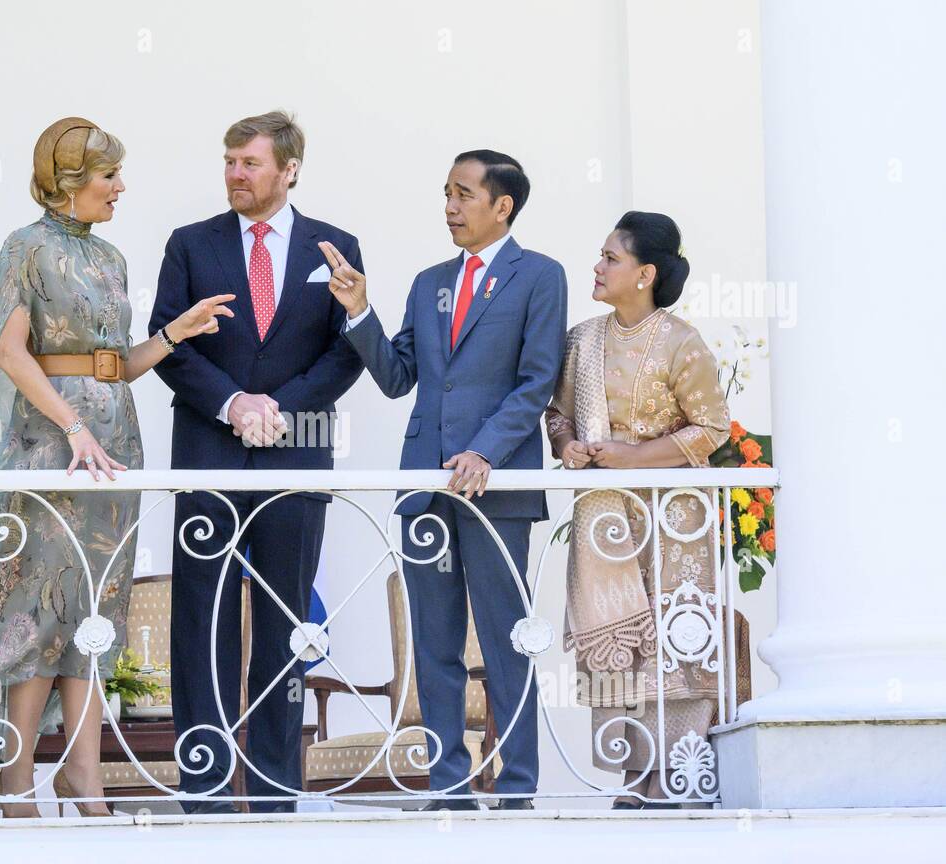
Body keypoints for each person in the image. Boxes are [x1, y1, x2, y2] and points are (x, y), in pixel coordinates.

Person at [0, 117, 233, 817]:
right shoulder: (24, 248)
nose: (121, 186)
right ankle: (14, 778)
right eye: (109, 175)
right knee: (36, 611)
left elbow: (115, 367)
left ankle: (85, 777)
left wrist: (175, 334)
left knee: (94, 613)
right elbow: (10, 353)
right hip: (52, 448)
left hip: (114, 450)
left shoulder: (110, 257)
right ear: (70, 180)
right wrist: (74, 424)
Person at [322, 149, 567, 810]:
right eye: (446, 193)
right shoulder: (430, 279)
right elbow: (400, 375)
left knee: (506, 638)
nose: (450, 207)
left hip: (498, 489)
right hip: (426, 486)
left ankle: (517, 788)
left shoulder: (540, 277)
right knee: (433, 647)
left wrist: (485, 451)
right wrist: (359, 311)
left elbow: (536, 380)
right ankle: (448, 786)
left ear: (502, 206)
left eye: (463, 194)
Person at [149, 111, 364, 813]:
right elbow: (167, 346)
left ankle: (275, 790)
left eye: (249, 162)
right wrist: (235, 403)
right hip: (208, 453)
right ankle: (204, 790)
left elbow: (344, 352)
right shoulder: (189, 244)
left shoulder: (338, 248)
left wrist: (277, 409)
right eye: (230, 161)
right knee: (201, 622)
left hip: (296, 459)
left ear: (289, 169)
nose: (235, 174)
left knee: (285, 625)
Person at [545, 211, 730, 809]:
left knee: (673, 648)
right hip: (604, 521)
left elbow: (712, 429)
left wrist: (633, 456)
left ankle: (677, 774)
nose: (597, 268)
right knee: (619, 647)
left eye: (610, 259)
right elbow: (558, 414)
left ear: (645, 273)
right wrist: (567, 444)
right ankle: (633, 777)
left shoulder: (681, 341)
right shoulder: (582, 340)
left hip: (673, 520)